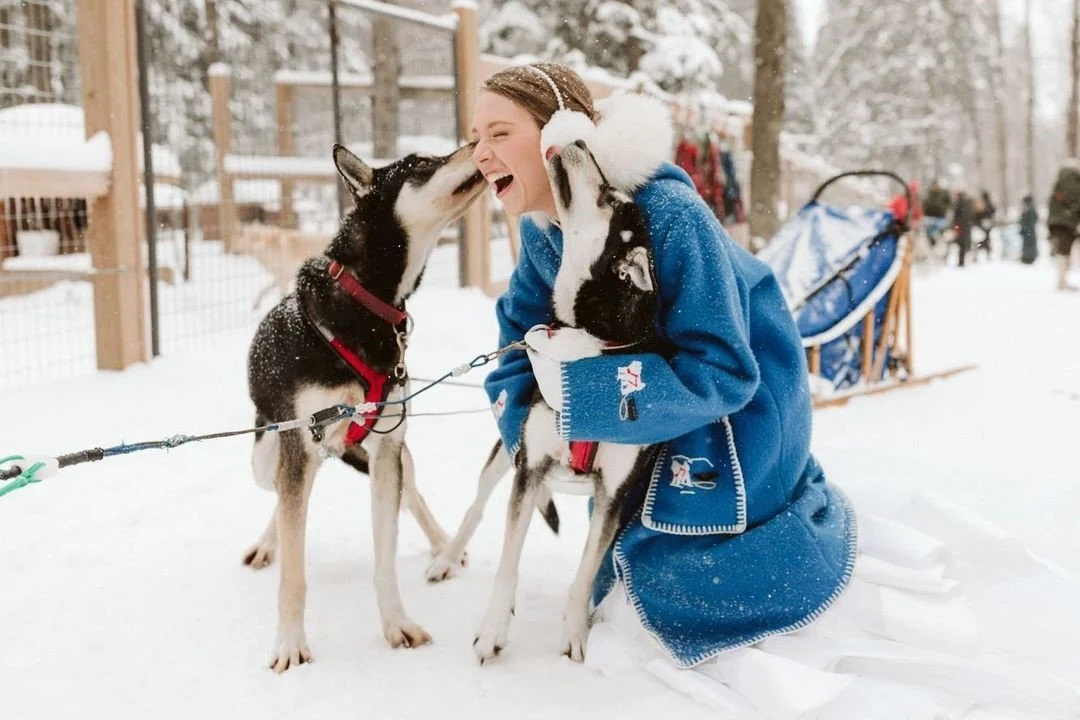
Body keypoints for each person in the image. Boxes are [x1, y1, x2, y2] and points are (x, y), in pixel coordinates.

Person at [470, 63, 1080, 717]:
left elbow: (726, 372)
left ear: (561, 136)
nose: (480, 153)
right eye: (474, 134)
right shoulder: (542, 234)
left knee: (693, 597)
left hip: (741, 424)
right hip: (647, 428)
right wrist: (534, 436)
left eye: (499, 133)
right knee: (625, 578)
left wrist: (587, 404)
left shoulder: (668, 216)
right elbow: (512, 354)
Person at [1047, 160, 1080, 291]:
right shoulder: (1071, 179)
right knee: (1064, 252)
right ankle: (1062, 281)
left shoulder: (1060, 182)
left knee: (1063, 252)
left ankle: (1062, 280)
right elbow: (1076, 198)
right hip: (1066, 223)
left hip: (1058, 223)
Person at [1020, 194, 1039, 265]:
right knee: (1029, 244)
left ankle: (1028, 257)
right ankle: (1028, 257)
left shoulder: (1029, 208)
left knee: (1029, 244)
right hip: (1029, 230)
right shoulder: (1029, 207)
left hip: (1029, 230)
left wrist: (1026, 227)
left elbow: (1031, 219)